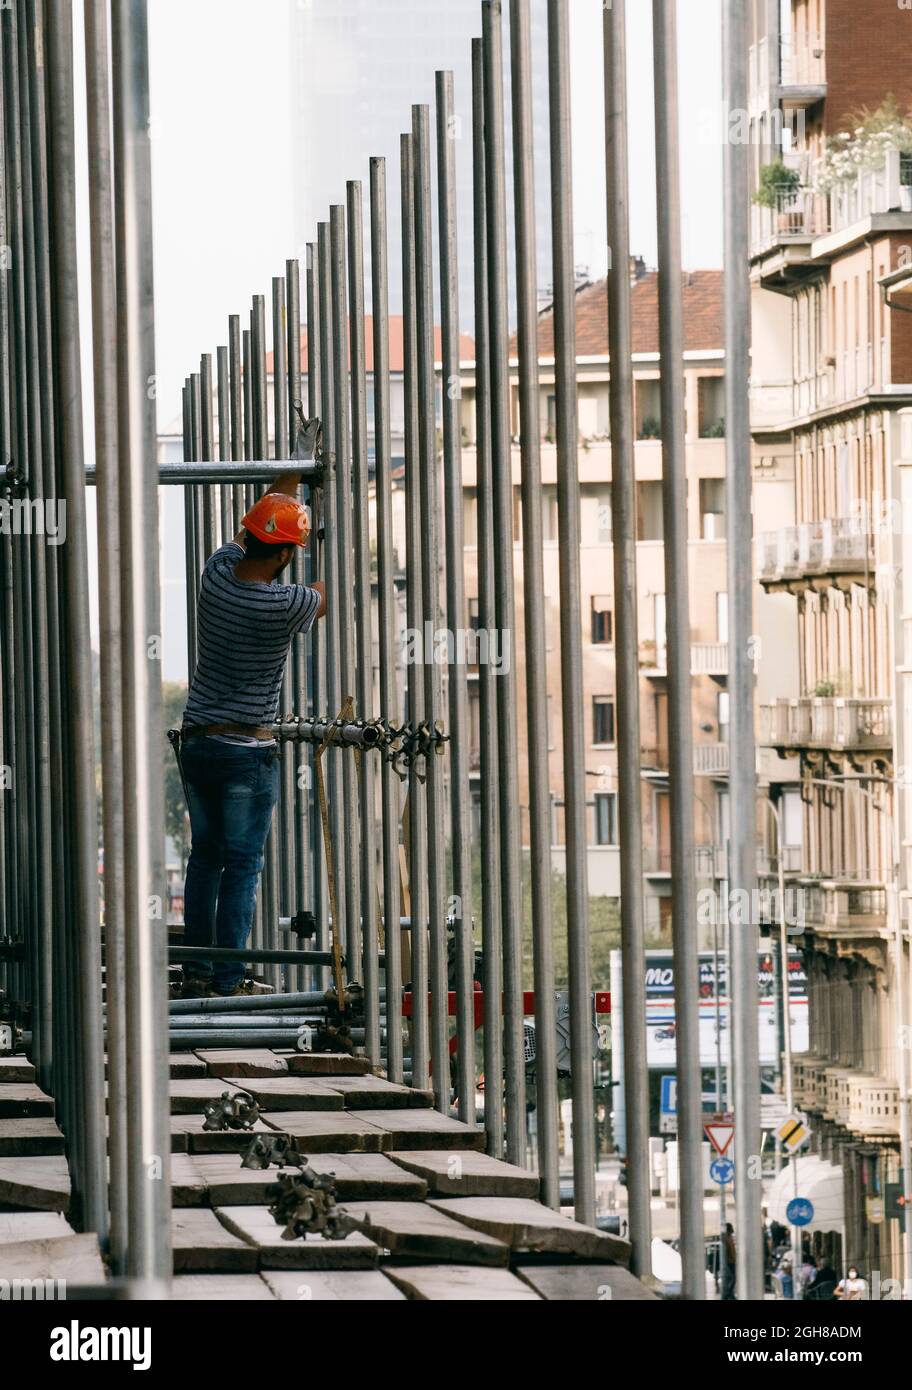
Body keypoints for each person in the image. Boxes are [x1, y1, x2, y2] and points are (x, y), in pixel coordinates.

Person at [178, 438, 326, 998]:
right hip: (248, 753)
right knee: (243, 865)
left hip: (198, 743)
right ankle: (226, 979)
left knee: (205, 859)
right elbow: (326, 591)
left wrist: (283, 488)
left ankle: (194, 971)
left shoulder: (215, 576)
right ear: (287, 555)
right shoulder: (285, 606)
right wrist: (311, 503)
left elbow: (245, 539)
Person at [721, 1222, 736, 1300]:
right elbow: (728, 1252)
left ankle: (729, 1294)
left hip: (732, 1261)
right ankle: (728, 1294)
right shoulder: (727, 1239)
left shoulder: (729, 1238)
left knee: (733, 1278)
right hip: (730, 1262)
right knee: (733, 1278)